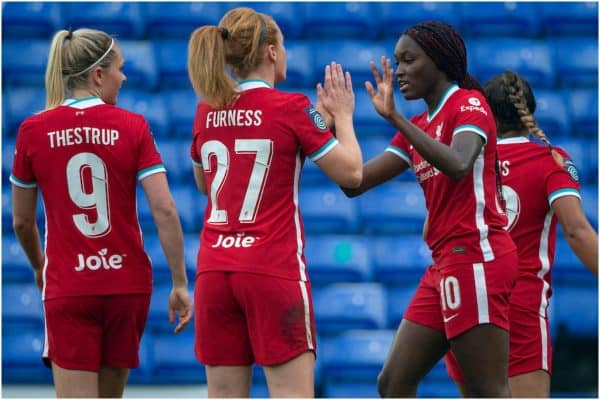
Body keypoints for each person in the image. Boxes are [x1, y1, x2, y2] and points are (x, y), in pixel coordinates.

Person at [186, 7, 362, 398]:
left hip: (214, 271)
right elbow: (352, 172)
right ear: (269, 51)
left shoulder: (206, 110)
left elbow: (205, 183)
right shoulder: (292, 107)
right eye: (282, 44)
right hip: (271, 270)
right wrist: (343, 117)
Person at [10, 28, 193, 398]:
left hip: (70, 286)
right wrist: (179, 282)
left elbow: (22, 221)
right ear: (97, 75)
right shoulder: (134, 126)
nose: (124, 77)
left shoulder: (32, 131)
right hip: (126, 285)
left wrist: (37, 265)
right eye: (119, 69)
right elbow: (165, 209)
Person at [341, 21, 519, 396]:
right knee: (392, 382)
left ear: (439, 60)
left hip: (476, 257)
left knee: (487, 390)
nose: (400, 71)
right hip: (444, 265)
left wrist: (396, 119)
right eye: (396, 61)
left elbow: (458, 164)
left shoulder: (468, 104)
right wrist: (337, 123)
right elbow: (354, 184)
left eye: (409, 60)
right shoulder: (420, 125)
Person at [444, 70, 598, 397]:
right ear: (529, 111)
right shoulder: (549, 161)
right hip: (519, 306)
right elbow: (577, 231)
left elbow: (433, 229)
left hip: (466, 303)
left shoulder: (465, 162)